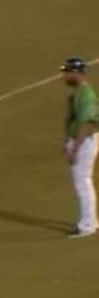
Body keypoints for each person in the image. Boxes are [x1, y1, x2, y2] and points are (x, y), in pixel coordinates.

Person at [61, 57, 96, 238]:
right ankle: (90, 221)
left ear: (77, 73)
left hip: (84, 141)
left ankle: (87, 225)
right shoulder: (79, 93)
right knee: (83, 182)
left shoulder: (86, 95)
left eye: (67, 72)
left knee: (83, 182)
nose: (65, 75)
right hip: (82, 141)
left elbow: (87, 124)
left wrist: (75, 148)